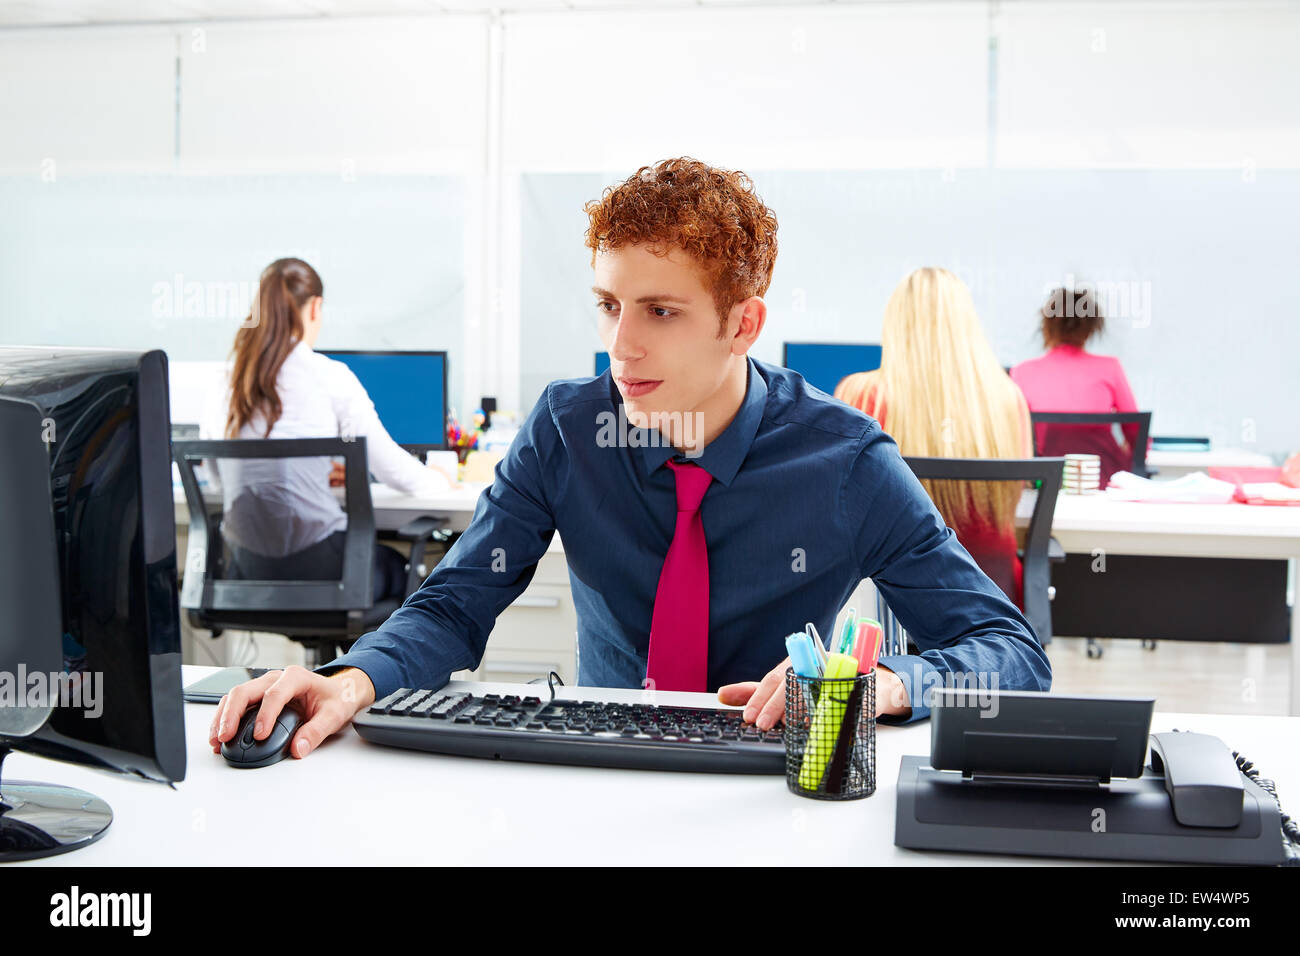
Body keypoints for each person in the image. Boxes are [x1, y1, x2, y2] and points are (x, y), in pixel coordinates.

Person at [211, 159, 1050, 761]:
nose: (621, 344)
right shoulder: (568, 430)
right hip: (598, 761)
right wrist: (353, 679)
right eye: (609, 305)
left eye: (660, 311)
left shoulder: (844, 459)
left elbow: (1010, 652)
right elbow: (456, 604)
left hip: (770, 779)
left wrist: (888, 685)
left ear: (742, 324)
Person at [200, 257, 451, 603]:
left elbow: (217, 481)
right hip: (326, 570)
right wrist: (439, 479)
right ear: (315, 307)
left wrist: (311, 474)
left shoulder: (225, 384)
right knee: (401, 567)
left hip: (247, 569)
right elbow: (392, 469)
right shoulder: (330, 377)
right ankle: (359, 660)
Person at [835, 268, 1033, 608]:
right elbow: (1020, 494)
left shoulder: (861, 394)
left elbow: (837, 502)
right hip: (990, 592)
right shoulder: (1009, 398)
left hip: (889, 601)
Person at [1010, 286, 1141, 487]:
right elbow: (1136, 435)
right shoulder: (1110, 368)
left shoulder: (1022, 372)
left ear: (1046, 326)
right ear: (1091, 329)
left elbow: (1013, 439)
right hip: (1104, 480)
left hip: (1045, 483)